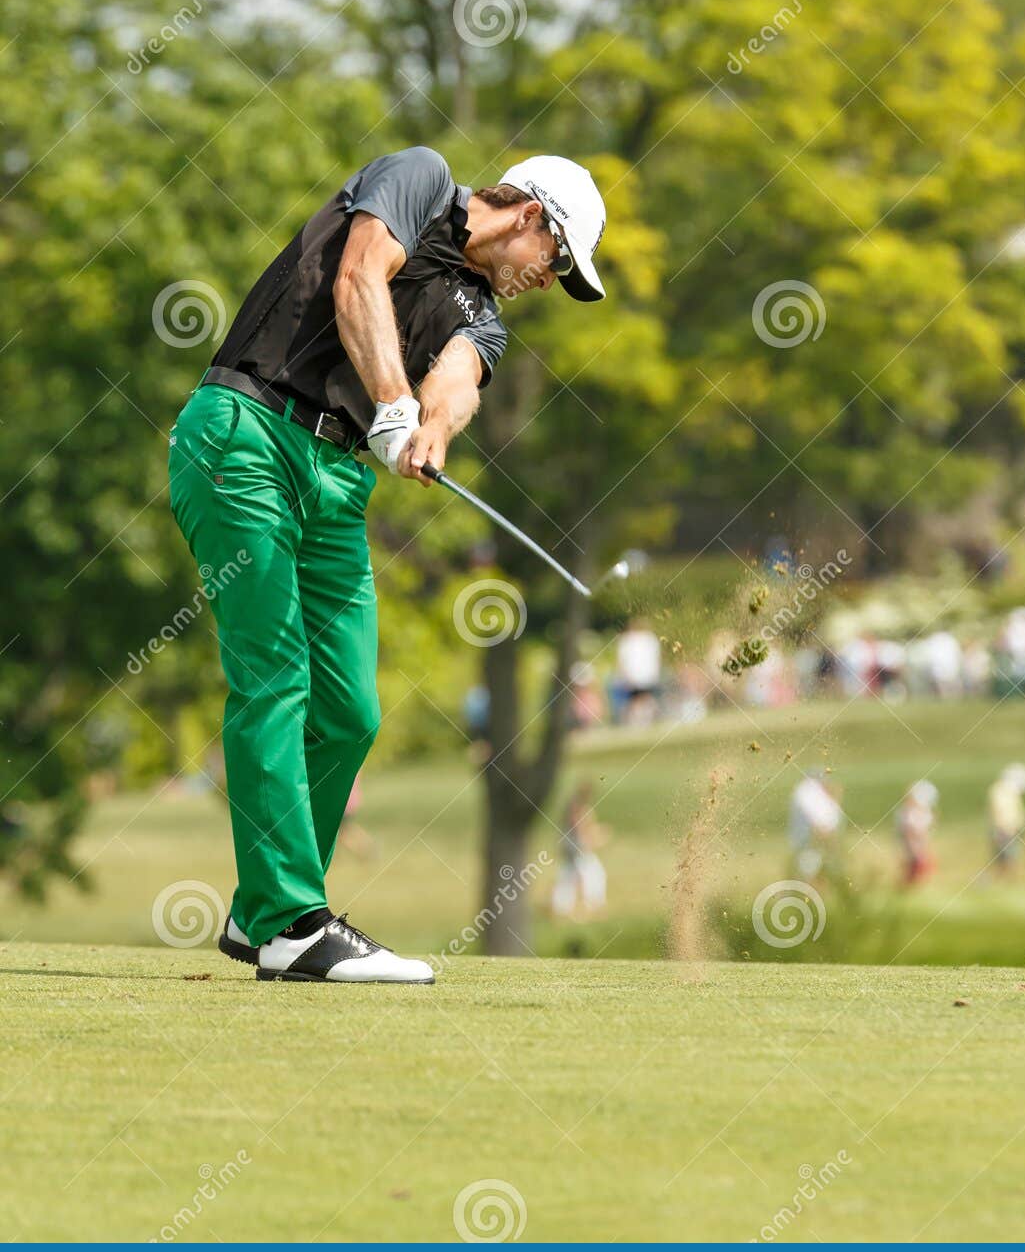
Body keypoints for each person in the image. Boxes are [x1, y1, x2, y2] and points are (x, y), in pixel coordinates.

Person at [169, 147, 607, 983]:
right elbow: (360, 280)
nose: (551, 280)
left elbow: (459, 378)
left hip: (335, 481)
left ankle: (261, 912)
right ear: (529, 216)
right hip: (245, 434)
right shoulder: (420, 179)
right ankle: (295, 921)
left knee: (352, 710)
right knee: (274, 680)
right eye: (557, 260)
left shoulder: (483, 314)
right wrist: (392, 402)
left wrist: (430, 430)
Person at [551, 781, 609, 919]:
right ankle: (587, 906)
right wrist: (596, 836)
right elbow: (580, 828)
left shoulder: (576, 806)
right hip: (577, 850)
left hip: (574, 848)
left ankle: (561, 906)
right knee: (589, 876)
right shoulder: (578, 808)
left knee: (570, 876)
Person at [787, 770, 843, 881]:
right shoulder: (808, 793)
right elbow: (817, 826)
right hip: (810, 843)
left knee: (821, 871)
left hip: (815, 843)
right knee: (809, 872)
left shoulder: (810, 794)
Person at [987, 762, 1025, 877]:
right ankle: (1003, 879)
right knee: (1006, 858)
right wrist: (1006, 828)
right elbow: (1001, 811)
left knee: (1010, 857)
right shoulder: (1001, 791)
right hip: (1005, 830)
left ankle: (1005, 879)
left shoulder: (1006, 791)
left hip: (1010, 830)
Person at [614, 618, 662, 724]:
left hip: (634, 677)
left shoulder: (626, 640)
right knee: (645, 699)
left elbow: (621, 662)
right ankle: (646, 720)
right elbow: (656, 659)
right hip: (648, 676)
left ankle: (639, 721)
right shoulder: (650, 638)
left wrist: (624, 676)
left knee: (635, 700)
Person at [895, 779, 938, 887]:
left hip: (919, 843)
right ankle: (911, 885)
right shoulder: (907, 813)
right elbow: (909, 831)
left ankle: (917, 884)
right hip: (912, 844)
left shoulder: (920, 812)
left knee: (922, 863)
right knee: (913, 864)